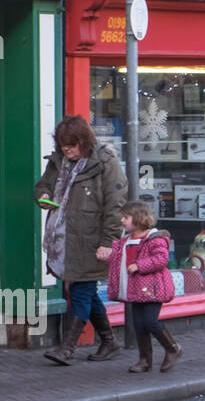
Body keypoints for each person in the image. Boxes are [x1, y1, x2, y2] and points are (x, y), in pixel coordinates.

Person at [34, 115, 127, 365]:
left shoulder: (106, 163)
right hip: (63, 239)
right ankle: (110, 341)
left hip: (91, 239)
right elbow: (43, 185)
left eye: (72, 145)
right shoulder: (58, 161)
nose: (67, 149)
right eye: (63, 144)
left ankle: (67, 348)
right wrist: (42, 195)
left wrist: (108, 242)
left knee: (81, 291)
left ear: (84, 142)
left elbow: (115, 206)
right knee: (85, 290)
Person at [102, 201, 183, 372]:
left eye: (126, 217)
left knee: (151, 321)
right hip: (135, 289)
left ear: (138, 219)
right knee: (139, 324)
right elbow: (119, 261)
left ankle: (173, 348)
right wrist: (107, 257)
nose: (122, 220)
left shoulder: (154, 239)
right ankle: (145, 360)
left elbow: (161, 259)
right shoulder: (126, 241)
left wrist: (140, 265)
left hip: (152, 288)